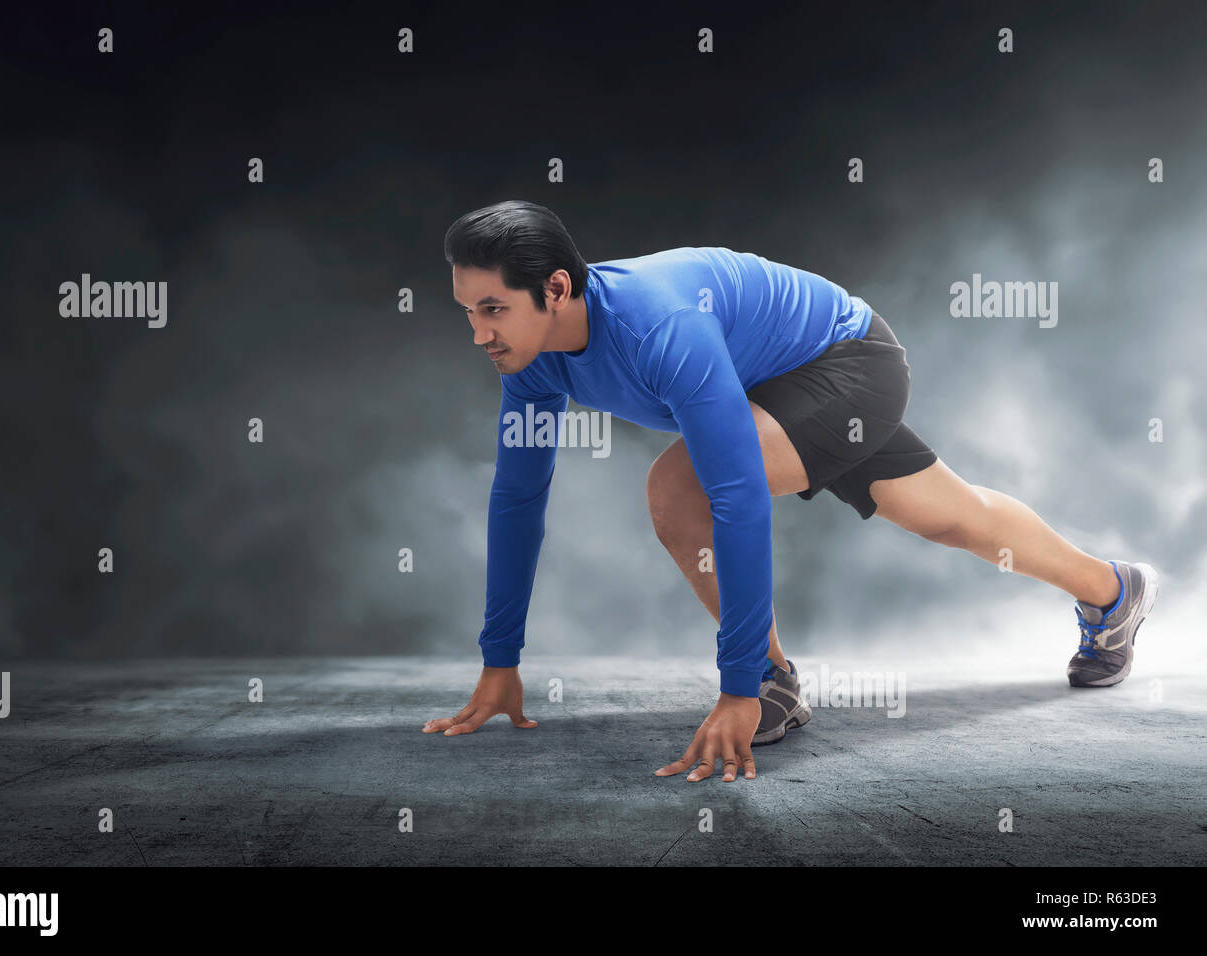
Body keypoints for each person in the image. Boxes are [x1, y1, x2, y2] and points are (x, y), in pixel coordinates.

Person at [423, 199, 1160, 783]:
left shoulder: (660, 329)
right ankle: (1113, 590)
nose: (480, 333)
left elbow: (737, 496)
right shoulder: (530, 362)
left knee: (681, 490)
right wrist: (500, 661)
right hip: (762, 374)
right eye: (468, 312)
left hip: (846, 360)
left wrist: (740, 687)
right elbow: (518, 499)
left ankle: (772, 680)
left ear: (555, 288)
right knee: (950, 517)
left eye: (494, 309)